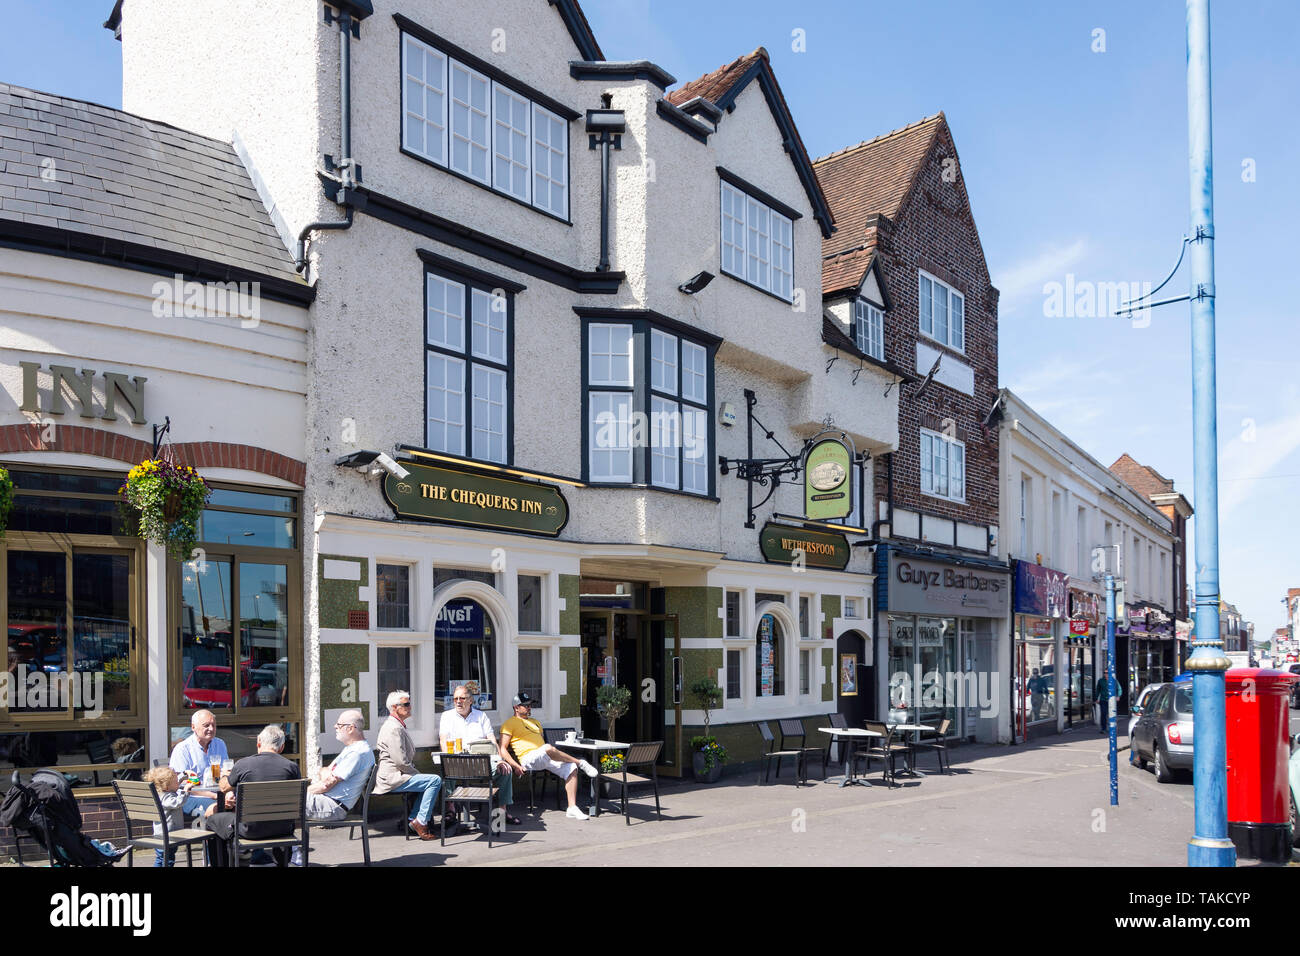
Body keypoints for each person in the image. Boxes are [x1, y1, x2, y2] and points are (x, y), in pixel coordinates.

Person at [204, 724, 301, 867]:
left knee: (213, 820)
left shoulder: (244, 764)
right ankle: (282, 862)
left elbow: (224, 787)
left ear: (258, 742)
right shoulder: (292, 767)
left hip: (250, 830)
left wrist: (224, 775)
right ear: (281, 747)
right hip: (283, 828)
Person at [499, 692, 597, 821]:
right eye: (526, 705)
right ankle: (581, 762)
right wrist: (515, 765)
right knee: (548, 748)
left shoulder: (535, 722)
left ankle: (572, 808)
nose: (529, 708)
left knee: (571, 767)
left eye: (530, 705)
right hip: (528, 759)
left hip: (544, 756)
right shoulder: (509, 724)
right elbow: (502, 749)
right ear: (516, 707)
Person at [439, 684, 521, 827]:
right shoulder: (447, 716)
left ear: (470, 700)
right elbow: (443, 739)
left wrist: (500, 760)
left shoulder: (481, 716)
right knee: (447, 766)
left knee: (505, 771)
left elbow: (492, 740)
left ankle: (501, 813)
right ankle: (450, 810)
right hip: (457, 762)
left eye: (462, 698)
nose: (458, 701)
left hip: (481, 762)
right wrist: (448, 757)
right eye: (455, 698)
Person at [374, 690, 442, 840]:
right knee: (434, 780)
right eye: (406, 704)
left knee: (429, 781)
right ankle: (420, 821)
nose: (410, 707)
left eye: (409, 703)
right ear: (394, 707)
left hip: (397, 775)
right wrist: (416, 773)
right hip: (392, 778)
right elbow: (400, 761)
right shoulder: (394, 728)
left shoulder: (396, 726)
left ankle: (413, 820)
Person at [306, 708, 375, 822]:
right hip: (327, 801)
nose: (335, 726)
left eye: (339, 724)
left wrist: (304, 792)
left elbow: (326, 785)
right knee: (282, 801)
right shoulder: (352, 749)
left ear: (351, 728)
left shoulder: (357, 753)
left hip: (332, 806)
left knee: (286, 802)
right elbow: (325, 770)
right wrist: (327, 774)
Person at [169, 709, 227, 819]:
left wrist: (227, 793)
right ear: (193, 727)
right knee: (217, 807)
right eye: (206, 725)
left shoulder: (220, 744)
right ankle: (213, 835)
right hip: (190, 797)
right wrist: (215, 796)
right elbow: (182, 783)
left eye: (213, 725)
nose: (211, 729)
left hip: (217, 794)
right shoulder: (183, 749)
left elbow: (225, 773)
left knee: (239, 803)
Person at [144, 765, 189, 867]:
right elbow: (177, 802)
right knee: (168, 860)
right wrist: (185, 791)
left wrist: (184, 775)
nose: (178, 782)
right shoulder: (166, 797)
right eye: (176, 781)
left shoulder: (161, 793)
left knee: (161, 859)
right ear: (166, 787)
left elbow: (174, 784)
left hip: (160, 835)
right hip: (168, 836)